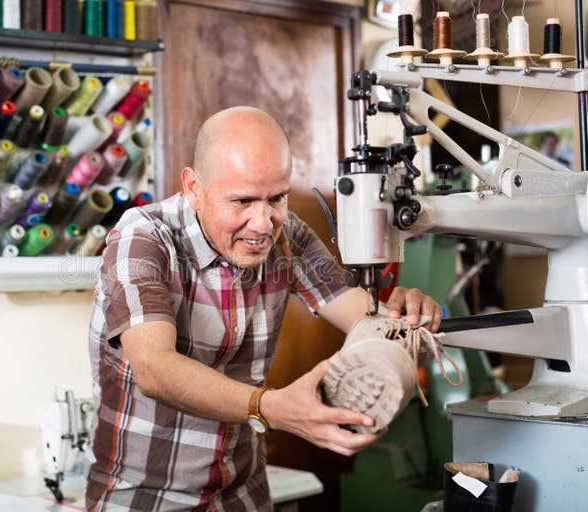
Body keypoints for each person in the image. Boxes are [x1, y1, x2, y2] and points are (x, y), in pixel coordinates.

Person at [86, 106, 441, 511]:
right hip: (145, 500)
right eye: (242, 201)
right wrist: (270, 407)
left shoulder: (287, 236)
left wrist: (407, 319)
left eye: (277, 198)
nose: (262, 223)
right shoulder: (143, 239)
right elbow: (154, 368)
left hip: (243, 493)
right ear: (193, 187)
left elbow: (368, 319)